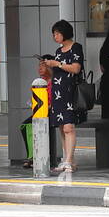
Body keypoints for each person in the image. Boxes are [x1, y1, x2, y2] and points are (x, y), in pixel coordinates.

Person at [45, 20, 84, 174]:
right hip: (58, 91)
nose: (55, 36)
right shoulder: (59, 51)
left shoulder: (76, 47)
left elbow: (76, 68)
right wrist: (50, 65)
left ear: (64, 33)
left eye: (57, 33)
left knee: (69, 126)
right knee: (62, 127)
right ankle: (68, 159)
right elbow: (56, 71)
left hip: (70, 91)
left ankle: (68, 160)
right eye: (53, 34)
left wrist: (57, 64)